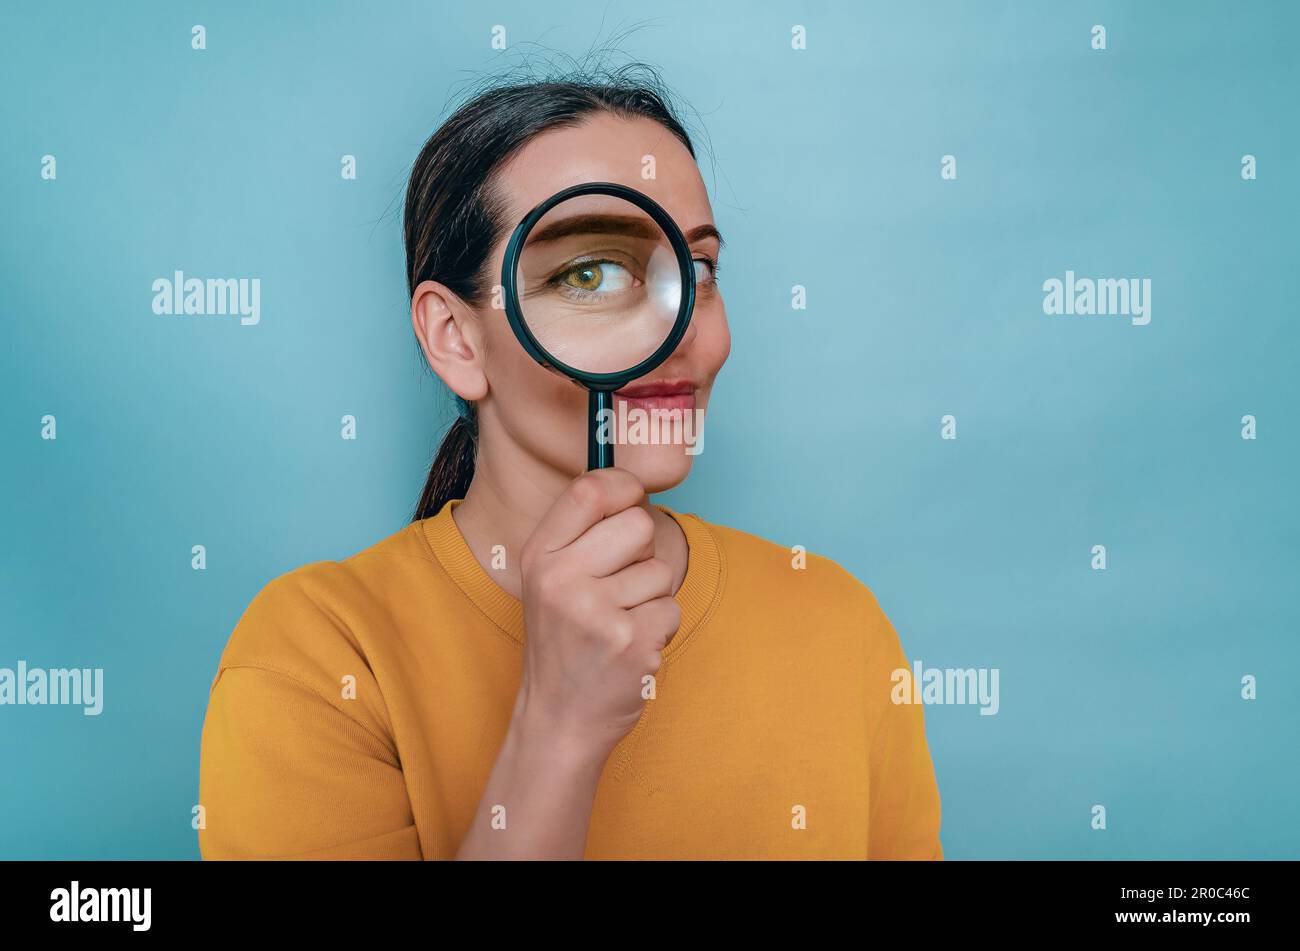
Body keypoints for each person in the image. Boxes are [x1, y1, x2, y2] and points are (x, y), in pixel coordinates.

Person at [198, 67, 944, 860]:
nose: (681, 327)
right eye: (589, 273)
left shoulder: (836, 620)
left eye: (697, 271)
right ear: (455, 337)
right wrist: (559, 728)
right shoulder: (321, 655)